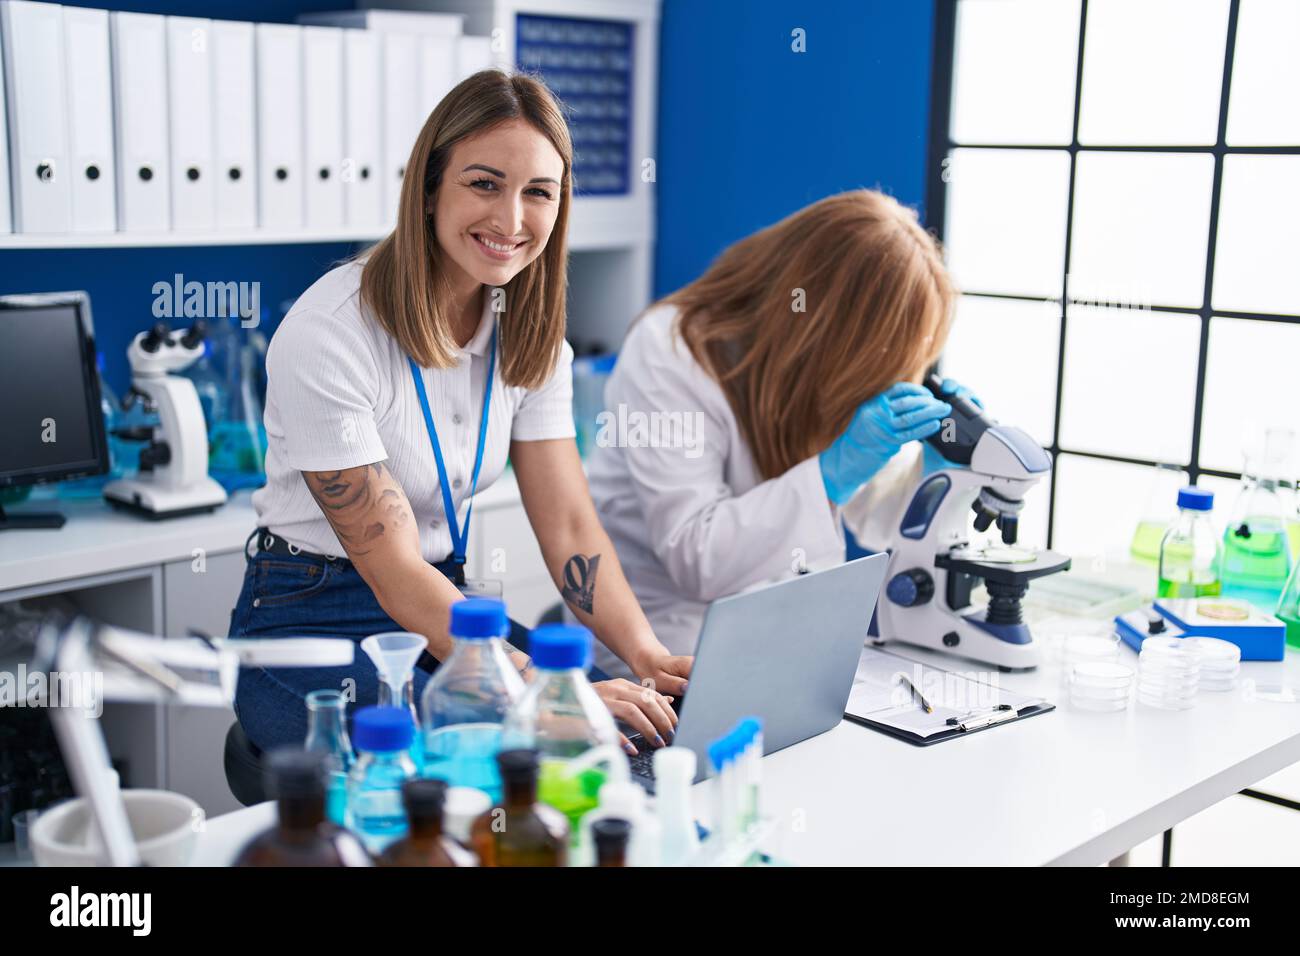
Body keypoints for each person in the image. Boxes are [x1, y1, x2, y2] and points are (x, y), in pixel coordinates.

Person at [231, 71, 688, 754]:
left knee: (614, 731)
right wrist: (538, 690)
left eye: (538, 192)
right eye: (484, 184)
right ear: (428, 189)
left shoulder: (531, 338)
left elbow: (568, 527)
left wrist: (650, 657)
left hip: (449, 609)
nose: (510, 220)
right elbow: (393, 572)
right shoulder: (330, 329)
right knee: (494, 748)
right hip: (311, 620)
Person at [583, 190, 978, 678]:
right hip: (666, 650)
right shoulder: (671, 350)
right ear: (822, 331)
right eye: (877, 359)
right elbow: (696, 556)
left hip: (780, 644)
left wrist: (939, 479)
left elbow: (879, 520)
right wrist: (830, 476)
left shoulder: (821, 370)